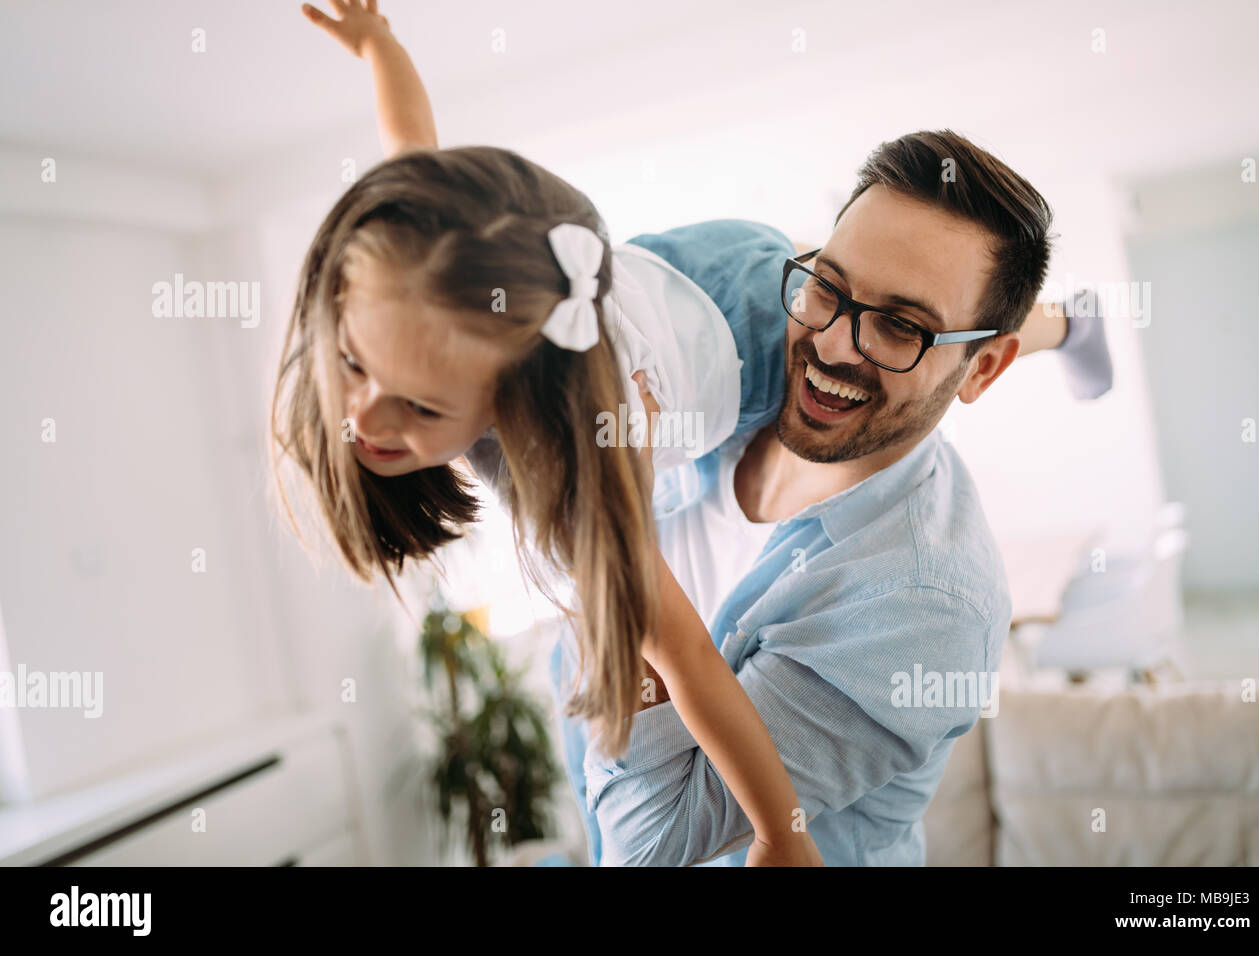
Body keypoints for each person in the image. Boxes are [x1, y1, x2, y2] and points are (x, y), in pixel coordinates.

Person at [294, 0, 1112, 866]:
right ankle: (978, 313)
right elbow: (418, 175)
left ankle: (1063, 325)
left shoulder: (922, 603)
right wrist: (382, 49)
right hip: (725, 281)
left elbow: (655, 830)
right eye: (829, 286)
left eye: (902, 327)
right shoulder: (469, 336)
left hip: (707, 319)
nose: (833, 343)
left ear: (984, 371)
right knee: (817, 291)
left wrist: (778, 832)